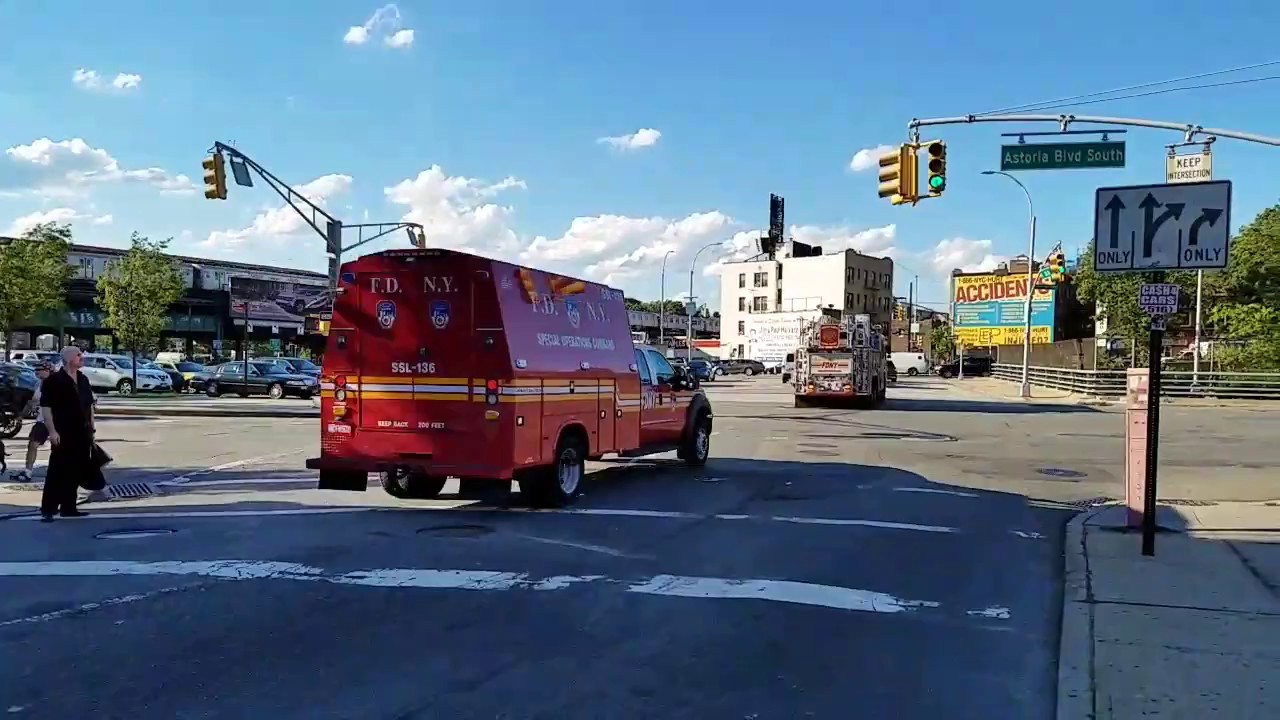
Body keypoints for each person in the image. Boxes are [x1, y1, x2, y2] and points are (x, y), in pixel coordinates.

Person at [38, 346, 96, 521]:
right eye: (78, 355)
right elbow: (46, 408)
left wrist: (92, 427)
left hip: (82, 432)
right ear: (69, 358)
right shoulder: (54, 381)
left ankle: (68, 507)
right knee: (58, 470)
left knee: (76, 470)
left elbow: (89, 405)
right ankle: (48, 508)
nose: (82, 357)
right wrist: (52, 431)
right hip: (63, 432)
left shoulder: (83, 379)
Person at [9, 361, 53, 483]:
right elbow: (32, 402)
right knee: (33, 444)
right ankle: (28, 472)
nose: (37, 373)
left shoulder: (57, 384)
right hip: (42, 421)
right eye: (36, 371)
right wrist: (21, 415)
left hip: (56, 421)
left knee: (59, 448)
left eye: (39, 371)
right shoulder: (39, 385)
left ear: (47, 371)